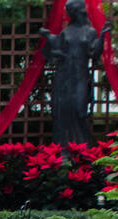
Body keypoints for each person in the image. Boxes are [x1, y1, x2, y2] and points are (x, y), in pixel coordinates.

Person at [41, 0, 109, 146]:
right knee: (63, 111)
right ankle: (64, 147)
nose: (71, 14)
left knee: (80, 111)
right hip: (64, 76)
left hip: (80, 76)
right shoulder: (66, 31)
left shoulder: (89, 31)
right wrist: (48, 38)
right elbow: (54, 52)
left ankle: (84, 147)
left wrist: (102, 36)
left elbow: (94, 54)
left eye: (73, 11)